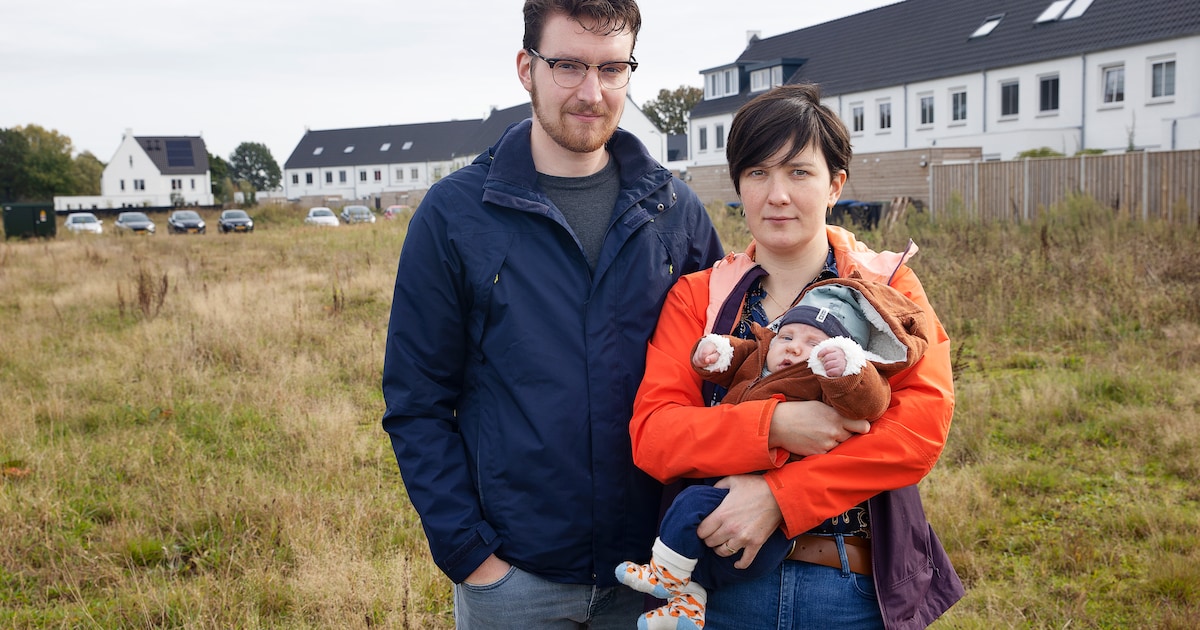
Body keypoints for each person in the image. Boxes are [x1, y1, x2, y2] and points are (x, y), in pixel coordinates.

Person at [380, 1, 723, 628]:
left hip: (655, 578)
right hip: (515, 582)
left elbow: (722, 385)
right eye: (567, 65)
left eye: (612, 68)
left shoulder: (677, 213)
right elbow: (416, 401)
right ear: (525, 68)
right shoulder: (455, 216)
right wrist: (471, 557)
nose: (591, 92)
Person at [629, 83, 964, 629]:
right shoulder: (698, 297)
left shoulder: (888, 285)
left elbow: (919, 430)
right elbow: (655, 435)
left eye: (798, 172)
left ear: (836, 184)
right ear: (739, 184)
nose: (776, 194)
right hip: (722, 594)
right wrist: (774, 425)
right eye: (757, 173)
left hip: (851, 594)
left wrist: (780, 497)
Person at [617, 278, 931, 629]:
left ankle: (667, 576)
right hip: (725, 533)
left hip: (839, 580)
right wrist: (717, 359)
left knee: (694, 512)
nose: (796, 348)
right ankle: (685, 599)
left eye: (814, 343)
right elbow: (656, 434)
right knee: (692, 514)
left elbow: (900, 425)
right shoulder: (704, 291)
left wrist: (847, 371)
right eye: (788, 337)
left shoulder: (884, 284)